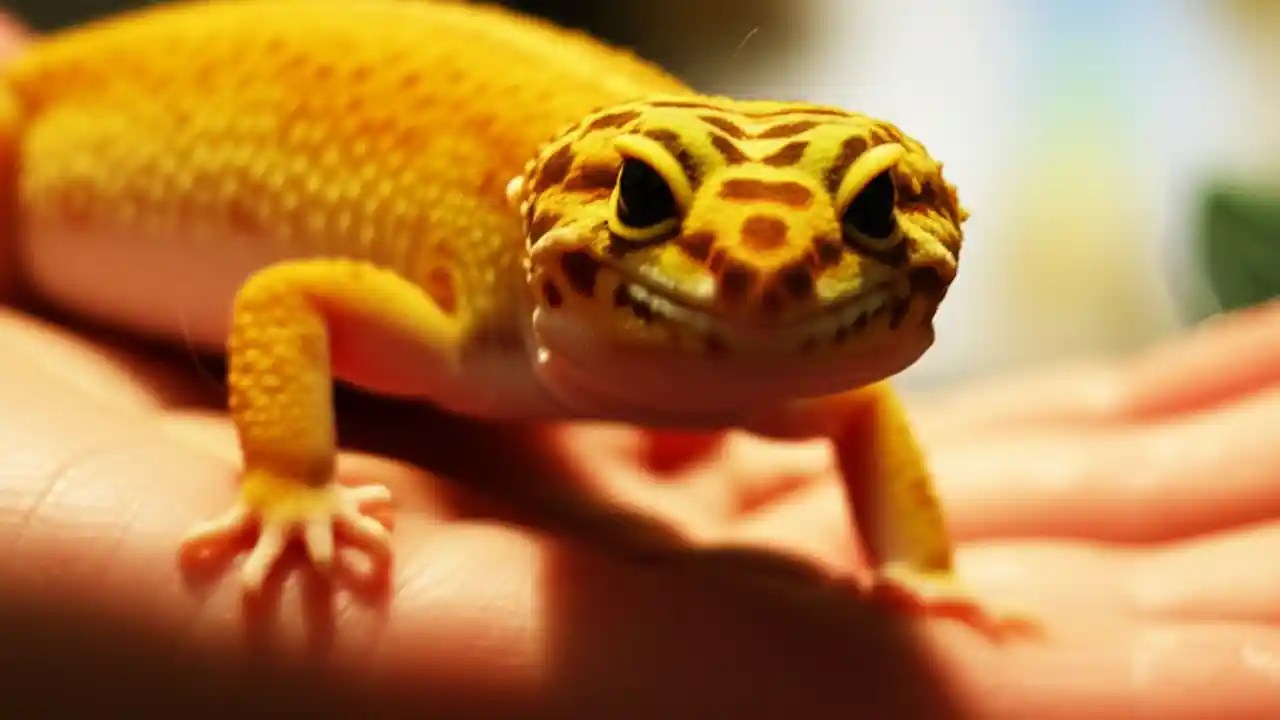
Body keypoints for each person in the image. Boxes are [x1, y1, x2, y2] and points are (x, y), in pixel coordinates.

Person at [4, 19, 1280, 719]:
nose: (762, 277)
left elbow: (853, 411)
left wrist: (915, 571)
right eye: (657, 208)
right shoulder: (472, 325)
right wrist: (290, 481)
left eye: (872, 221)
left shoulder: (807, 374)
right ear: (553, 243)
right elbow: (286, 302)